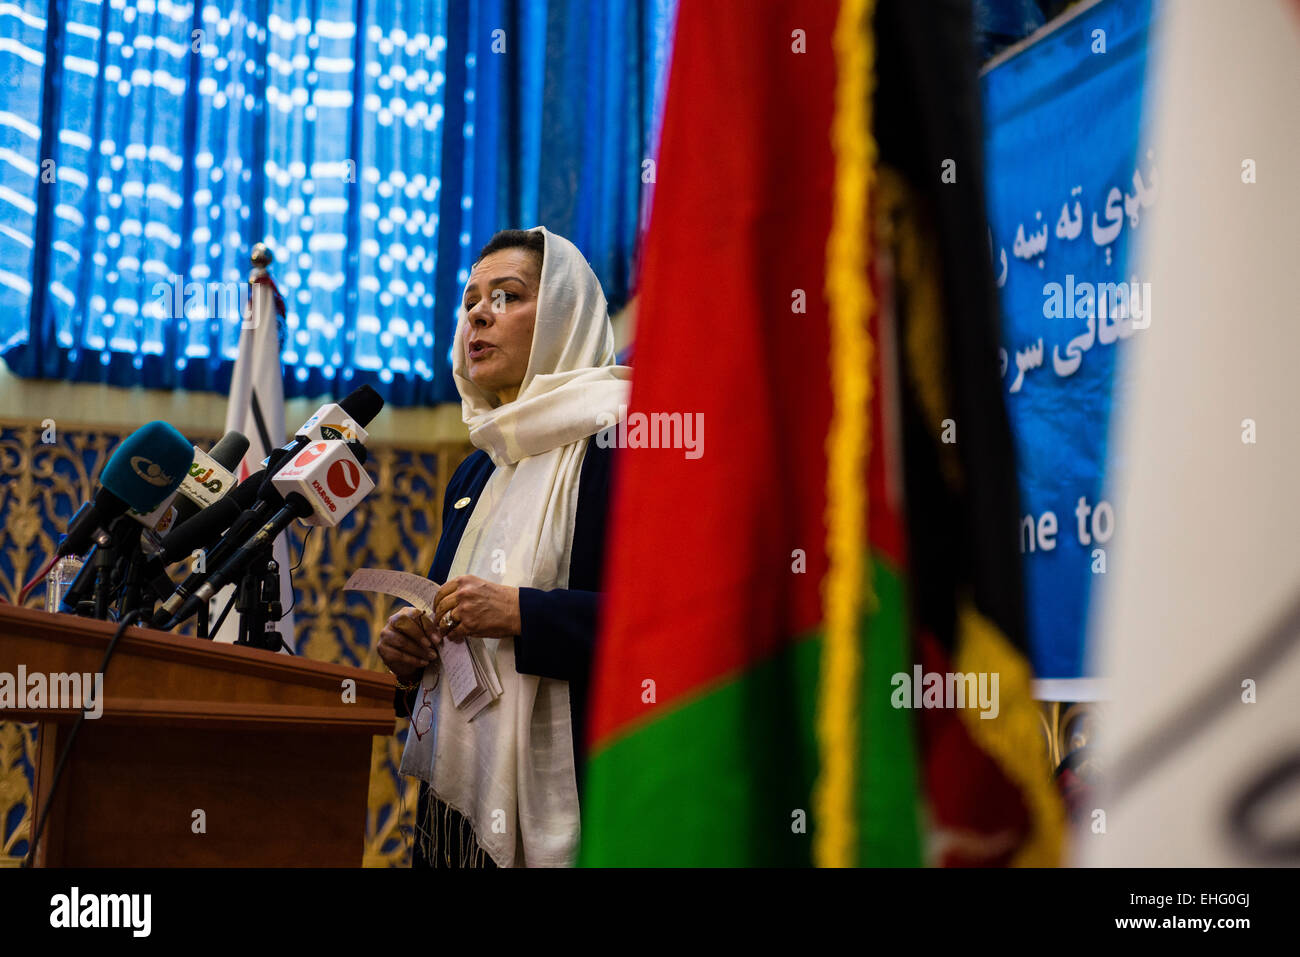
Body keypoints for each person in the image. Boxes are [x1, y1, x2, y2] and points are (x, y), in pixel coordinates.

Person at [375, 226, 630, 868]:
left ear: (562, 317)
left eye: (506, 296)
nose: (478, 315)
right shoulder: (477, 470)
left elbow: (663, 625)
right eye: (470, 303)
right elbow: (452, 624)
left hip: (589, 790)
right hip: (457, 818)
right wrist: (414, 655)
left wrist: (525, 614)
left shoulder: (622, 445)